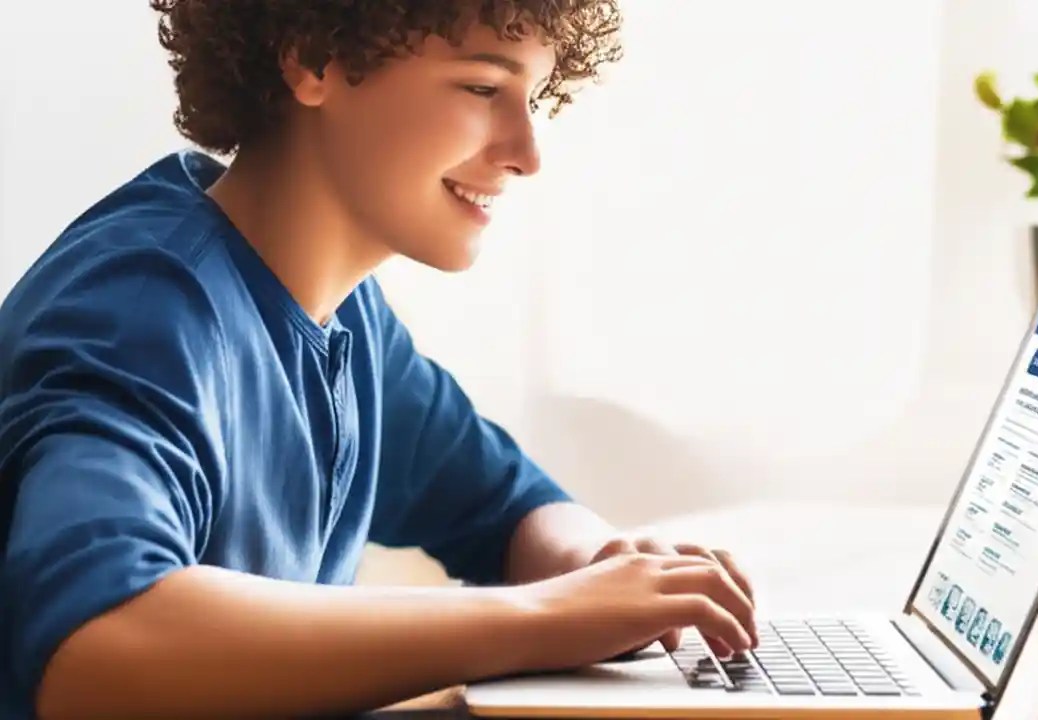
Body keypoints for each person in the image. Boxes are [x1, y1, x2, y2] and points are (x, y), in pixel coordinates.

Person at [0, 2, 760, 718]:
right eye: (482, 88)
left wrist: (601, 561)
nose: (527, 155)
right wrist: (548, 616)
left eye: (533, 96)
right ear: (314, 59)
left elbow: (503, 504)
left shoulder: (340, 309)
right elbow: (92, 647)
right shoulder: (144, 310)